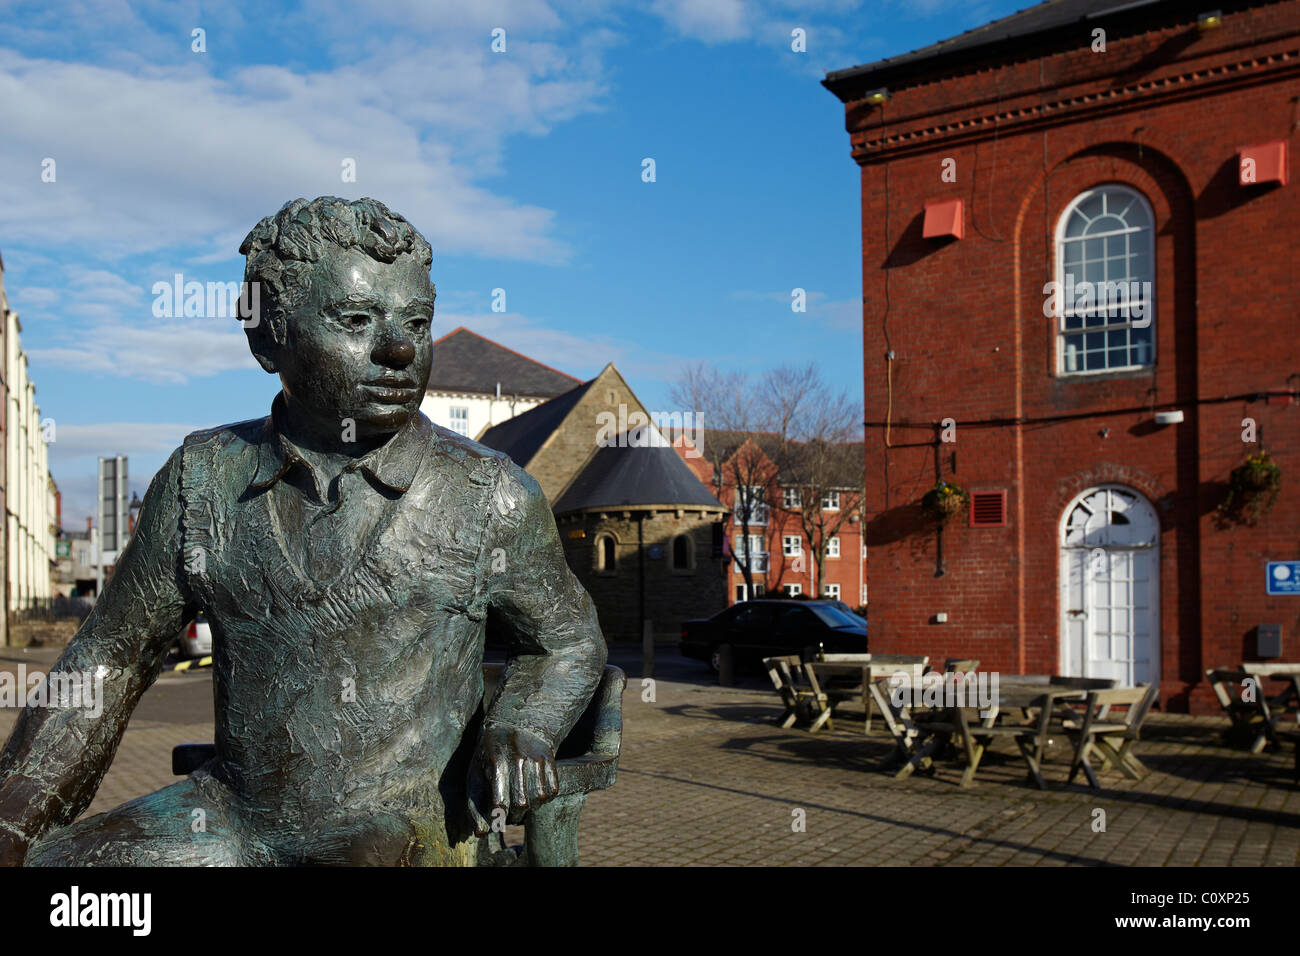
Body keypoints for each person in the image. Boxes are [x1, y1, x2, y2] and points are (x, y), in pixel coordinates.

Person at [0, 197, 607, 866]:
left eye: (417, 321)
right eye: (355, 319)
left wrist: (524, 724)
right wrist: (12, 823)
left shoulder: (488, 493)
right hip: (232, 823)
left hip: (411, 834)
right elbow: (105, 665)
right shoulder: (200, 481)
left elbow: (567, 640)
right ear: (268, 339)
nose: (400, 349)